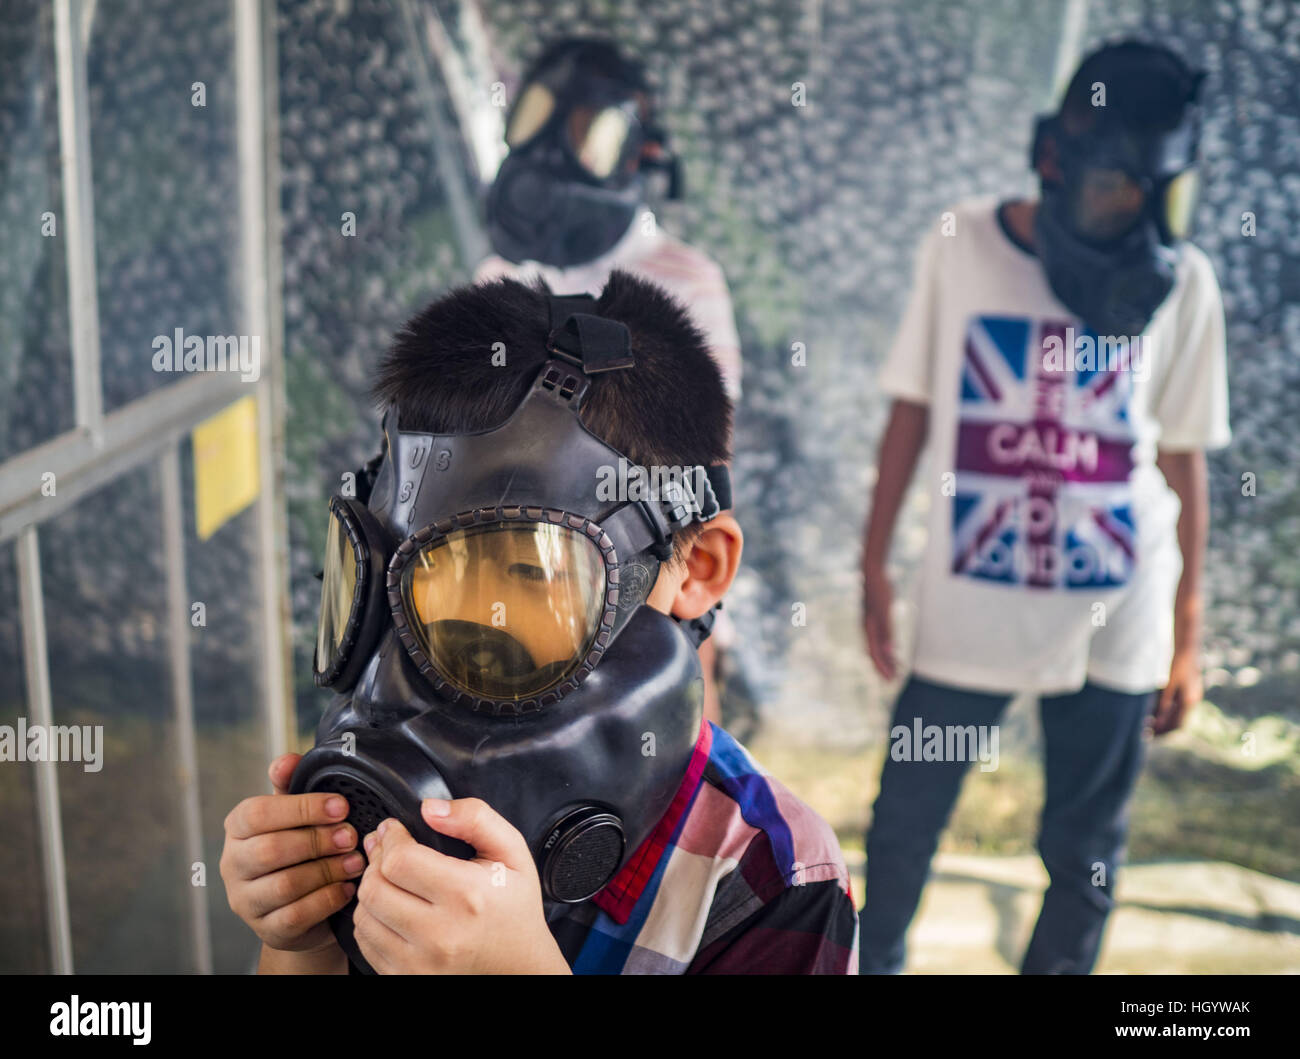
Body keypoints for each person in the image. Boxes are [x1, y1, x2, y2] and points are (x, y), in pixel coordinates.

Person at [220, 271, 857, 975]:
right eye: (403, 588)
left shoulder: (775, 882)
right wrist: (305, 941)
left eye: (526, 575)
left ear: (698, 565)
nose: (403, 670)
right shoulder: (383, 827)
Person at [858, 40, 1230, 975]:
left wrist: (1187, 633)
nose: (1136, 220)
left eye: (1162, 196)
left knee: (1085, 853)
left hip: (1121, 608)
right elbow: (913, 404)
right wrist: (872, 562)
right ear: (1055, 161)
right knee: (903, 827)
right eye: (1116, 188)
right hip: (970, 602)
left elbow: (1181, 457)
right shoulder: (964, 241)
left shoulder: (1184, 281)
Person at [477, 36, 743, 725]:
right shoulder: (497, 277)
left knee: (673, 757)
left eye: (589, 133)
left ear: (638, 152)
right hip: (518, 566)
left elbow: (704, 467)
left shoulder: (685, 280)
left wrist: (691, 610)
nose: (547, 153)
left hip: (644, 569)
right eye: (534, 122)